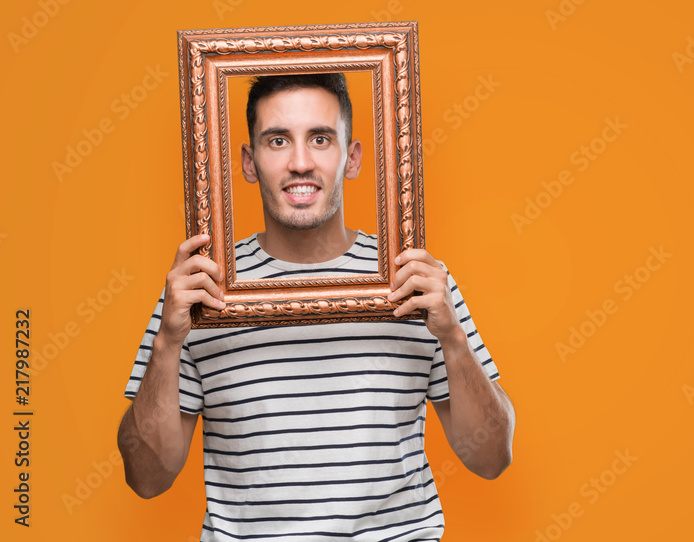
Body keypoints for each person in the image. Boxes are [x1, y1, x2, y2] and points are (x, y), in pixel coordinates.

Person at [117, 73, 514, 541]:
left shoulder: (417, 282)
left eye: (321, 139)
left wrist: (452, 338)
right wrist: (166, 342)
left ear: (353, 158)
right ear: (249, 162)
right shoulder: (201, 289)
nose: (300, 163)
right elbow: (145, 478)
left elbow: (492, 459)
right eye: (278, 140)